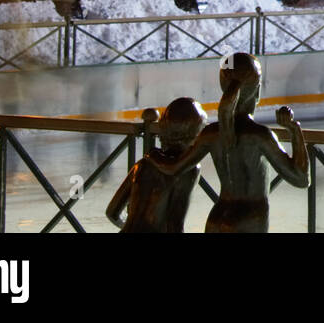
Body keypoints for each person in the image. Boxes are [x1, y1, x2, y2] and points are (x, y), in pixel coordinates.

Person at [153, 53, 309, 232]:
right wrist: (294, 129)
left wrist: (152, 155)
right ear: (257, 92)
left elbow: (174, 168)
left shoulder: (210, 133)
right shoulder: (260, 135)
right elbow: (301, 179)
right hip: (249, 218)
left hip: (217, 216)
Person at [106, 98, 206, 233]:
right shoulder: (188, 170)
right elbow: (175, 226)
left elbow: (112, 212)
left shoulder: (143, 165)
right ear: (195, 135)